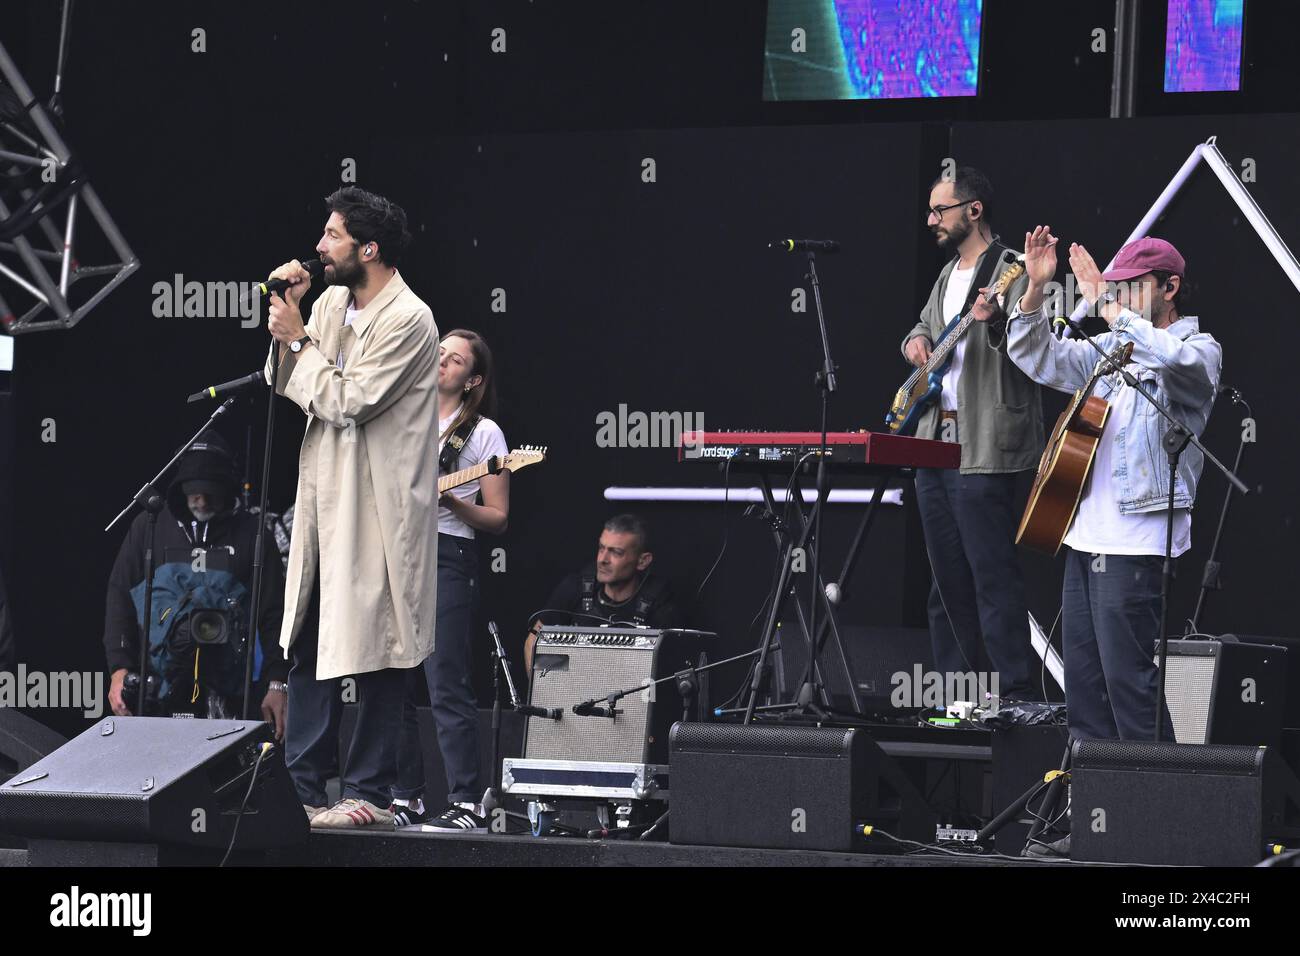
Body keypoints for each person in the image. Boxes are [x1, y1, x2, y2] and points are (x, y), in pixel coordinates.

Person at [263, 186, 439, 829]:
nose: (318, 246)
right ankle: (304, 790)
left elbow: (347, 401)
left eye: (331, 235)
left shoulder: (410, 318)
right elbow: (285, 383)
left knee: (381, 651)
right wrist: (291, 322)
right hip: (325, 502)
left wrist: (299, 341)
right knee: (309, 639)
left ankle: (368, 792)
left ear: (368, 248)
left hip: (378, 511)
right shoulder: (333, 301)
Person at [1001, 230, 1221, 743]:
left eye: (1131, 286)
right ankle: (1096, 812)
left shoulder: (1197, 349)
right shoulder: (1111, 350)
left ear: (1170, 287)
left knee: (1130, 686)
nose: (1118, 297)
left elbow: (1177, 365)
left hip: (1136, 537)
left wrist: (1106, 304)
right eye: (1114, 287)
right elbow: (1037, 356)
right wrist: (1035, 289)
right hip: (1083, 537)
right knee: (1085, 690)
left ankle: (1154, 811)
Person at [900, 166, 1041, 703]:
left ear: (973, 210)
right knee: (945, 583)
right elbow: (922, 326)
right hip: (936, 442)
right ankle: (954, 696)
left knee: (991, 575)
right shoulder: (946, 274)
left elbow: (1034, 344)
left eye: (941, 210)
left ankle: (1014, 695)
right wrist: (915, 344)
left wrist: (996, 321)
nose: (931, 220)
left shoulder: (1014, 268)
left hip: (984, 446)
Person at [391, 329, 509, 833]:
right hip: (397, 552)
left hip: (447, 553)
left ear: (472, 378)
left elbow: (498, 516)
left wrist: (456, 502)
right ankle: (405, 795)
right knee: (392, 679)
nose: (441, 362)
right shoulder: (404, 414)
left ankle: (467, 800)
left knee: (445, 681)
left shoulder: (482, 433)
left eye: (454, 359)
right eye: (438, 352)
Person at [102, 432, 287, 728]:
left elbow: (274, 614)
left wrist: (277, 683)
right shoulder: (149, 526)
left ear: (228, 489)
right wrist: (119, 669)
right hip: (158, 686)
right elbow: (120, 597)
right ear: (180, 488)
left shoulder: (253, 534)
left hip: (233, 691)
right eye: (194, 491)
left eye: (211, 491)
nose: (201, 499)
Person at [524, 514, 679, 672]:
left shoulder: (658, 601)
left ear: (642, 561)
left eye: (616, 552)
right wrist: (544, 689)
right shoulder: (575, 587)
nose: (602, 559)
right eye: (601, 548)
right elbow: (534, 640)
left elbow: (670, 664)